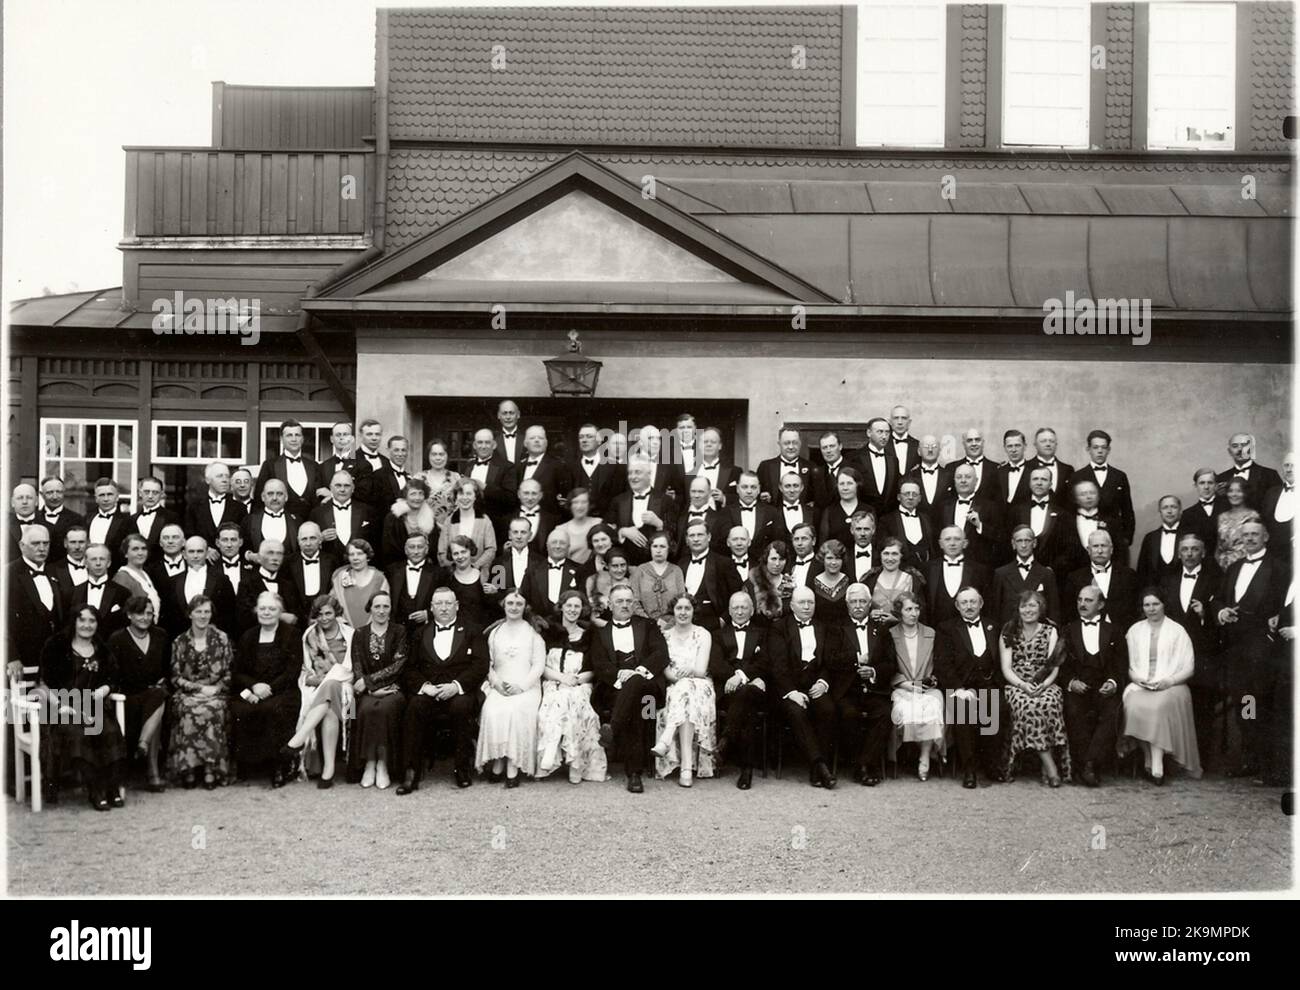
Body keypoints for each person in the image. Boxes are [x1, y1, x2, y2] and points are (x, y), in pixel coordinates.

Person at [1211, 520, 1287, 779]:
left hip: (1264, 648)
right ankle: (1250, 756)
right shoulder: (1233, 568)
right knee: (1245, 701)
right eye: (1246, 535)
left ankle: (1270, 764)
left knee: (1263, 701)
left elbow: (1289, 602)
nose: (1251, 538)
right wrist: (1221, 611)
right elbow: (1219, 598)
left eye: (1256, 534)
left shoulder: (1280, 569)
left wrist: (1280, 617)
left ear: (1265, 537)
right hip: (1237, 647)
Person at [397, 587, 487, 792]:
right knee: (414, 708)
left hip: (459, 691)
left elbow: (480, 665)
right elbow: (410, 668)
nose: (444, 608)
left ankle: (462, 769)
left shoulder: (472, 631)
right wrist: (424, 687)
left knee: (461, 708)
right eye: (439, 604)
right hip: (430, 691)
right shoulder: (419, 633)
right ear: (431, 607)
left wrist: (456, 686)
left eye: (448, 603)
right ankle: (411, 772)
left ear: (456, 606)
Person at [38, 605, 128, 811]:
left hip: (92, 707)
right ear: (74, 621)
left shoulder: (102, 650)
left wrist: (102, 691)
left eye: (92, 621)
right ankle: (96, 789)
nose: (87, 625)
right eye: (82, 620)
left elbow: (113, 679)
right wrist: (60, 706)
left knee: (110, 731)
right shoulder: (57, 646)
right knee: (80, 734)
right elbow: (43, 684)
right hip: (62, 709)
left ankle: (112, 787)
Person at [592, 583, 669, 793]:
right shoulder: (601, 632)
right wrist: (619, 675)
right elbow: (598, 663)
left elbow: (661, 654)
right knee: (634, 704)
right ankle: (634, 773)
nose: (625, 605)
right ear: (610, 604)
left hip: (649, 690)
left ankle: (613, 729)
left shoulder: (648, 625)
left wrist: (638, 671)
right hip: (614, 688)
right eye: (619, 601)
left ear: (634, 603)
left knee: (636, 688)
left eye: (629, 601)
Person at [1120, 588, 1202, 784]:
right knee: (1131, 705)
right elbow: (1128, 665)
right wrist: (1138, 679)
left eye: (1155, 604)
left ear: (1164, 605)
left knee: (1157, 708)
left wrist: (1169, 681)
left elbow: (1189, 667)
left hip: (1172, 685)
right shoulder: (1134, 630)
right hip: (1141, 684)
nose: (1151, 609)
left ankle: (1157, 764)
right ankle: (1148, 755)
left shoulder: (1177, 630)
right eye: (1147, 605)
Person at [770, 586, 843, 789]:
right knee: (797, 712)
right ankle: (819, 766)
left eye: (810, 602)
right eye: (802, 602)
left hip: (815, 685)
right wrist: (792, 692)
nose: (806, 606)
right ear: (792, 605)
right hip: (789, 688)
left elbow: (829, 662)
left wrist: (823, 682)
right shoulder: (779, 627)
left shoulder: (823, 627)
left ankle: (817, 767)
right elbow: (778, 666)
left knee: (828, 709)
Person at [934, 587, 1006, 788]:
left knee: (994, 707)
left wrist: (997, 685)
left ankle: (991, 765)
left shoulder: (994, 626)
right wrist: (958, 688)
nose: (969, 606)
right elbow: (943, 664)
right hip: (961, 686)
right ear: (957, 606)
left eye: (973, 602)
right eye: (964, 602)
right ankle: (969, 769)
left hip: (989, 684)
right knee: (963, 711)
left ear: (981, 604)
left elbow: (1001, 660)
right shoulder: (946, 628)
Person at [1161, 534, 1222, 766]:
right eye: (1185, 549)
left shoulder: (1215, 579)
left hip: (1202, 652)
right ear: (1179, 553)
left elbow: (1222, 614)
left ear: (1203, 553)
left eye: (1194, 549)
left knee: (1202, 705)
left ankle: (1201, 758)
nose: (1189, 554)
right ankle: (1172, 757)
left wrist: (1205, 613)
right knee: (1171, 702)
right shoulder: (1167, 580)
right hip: (1173, 653)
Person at [536, 590, 607, 784]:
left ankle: (572, 762)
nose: (573, 610)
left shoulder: (590, 634)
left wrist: (576, 679)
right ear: (561, 607)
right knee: (560, 698)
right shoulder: (549, 632)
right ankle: (569, 760)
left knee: (574, 701)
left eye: (577, 606)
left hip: (580, 684)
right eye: (569, 606)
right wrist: (561, 678)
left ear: (583, 609)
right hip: (553, 682)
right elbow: (541, 665)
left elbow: (595, 668)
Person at [999, 590, 1070, 787]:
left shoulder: (1051, 631)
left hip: (1045, 682)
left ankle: (1044, 765)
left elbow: (1054, 666)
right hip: (1017, 684)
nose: (1028, 610)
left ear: (1041, 608)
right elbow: (1006, 668)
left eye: (1032, 605)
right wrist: (1023, 685)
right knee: (1028, 706)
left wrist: (1043, 685)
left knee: (1048, 702)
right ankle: (1050, 767)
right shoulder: (1008, 630)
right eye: (1024, 606)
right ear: (1018, 609)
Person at [231, 591, 301, 787]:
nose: (267, 613)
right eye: (262, 608)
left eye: (272, 609)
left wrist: (268, 688)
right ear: (256, 611)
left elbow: (291, 672)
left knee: (272, 709)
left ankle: (278, 766)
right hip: (253, 690)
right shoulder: (248, 636)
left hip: (282, 690)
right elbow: (238, 672)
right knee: (240, 709)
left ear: (280, 612)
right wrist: (253, 687)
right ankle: (245, 764)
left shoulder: (292, 635)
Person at [476, 588, 545, 786]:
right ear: (503, 605)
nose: (514, 607)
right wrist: (496, 683)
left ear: (525, 607)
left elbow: (539, 665)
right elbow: (488, 663)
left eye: (519, 604)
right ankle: (498, 761)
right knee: (492, 710)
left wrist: (521, 686)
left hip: (526, 686)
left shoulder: (533, 633)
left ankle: (514, 766)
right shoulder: (495, 632)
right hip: (499, 685)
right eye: (510, 603)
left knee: (516, 710)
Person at [285, 594, 355, 788]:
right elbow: (305, 672)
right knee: (328, 708)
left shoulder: (350, 634)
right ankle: (329, 770)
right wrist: (317, 680)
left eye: (328, 613)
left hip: (349, 695)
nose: (324, 618)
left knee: (331, 685)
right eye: (319, 614)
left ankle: (299, 738)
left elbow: (352, 671)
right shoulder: (309, 635)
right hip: (319, 691)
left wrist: (328, 679)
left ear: (336, 613)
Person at [1059, 585, 1126, 787]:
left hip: (1104, 688)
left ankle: (1089, 764)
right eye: (1080, 599)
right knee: (1074, 711)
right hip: (1079, 687)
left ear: (1101, 604)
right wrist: (1071, 682)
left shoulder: (1113, 630)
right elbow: (1059, 665)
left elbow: (1121, 663)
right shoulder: (1068, 630)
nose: (1082, 604)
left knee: (1112, 713)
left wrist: (1113, 682)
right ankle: (1086, 766)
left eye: (1088, 600)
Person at [875, 591, 944, 779]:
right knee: (905, 709)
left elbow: (940, 663)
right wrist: (903, 683)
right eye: (908, 609)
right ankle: (908, 754)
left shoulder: (931, 633)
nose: (913, 613)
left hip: (926, 687)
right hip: (902, 687)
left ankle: (924, 756)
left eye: (916, 609)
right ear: (899, 612)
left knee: (933, 705)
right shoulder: (890, 634)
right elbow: (887, 665)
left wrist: (930, 681)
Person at [168, 594, 233, 789]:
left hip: (216, 692)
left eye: (207, 611)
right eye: (198, 612)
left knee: (212, 710)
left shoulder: (222, 638)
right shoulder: (179, 641)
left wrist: (216, 688)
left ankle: (210, 770)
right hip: (188, 693)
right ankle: (188, 769)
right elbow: (175, 677)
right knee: (188, 709)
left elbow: (229, 671)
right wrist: (198, 688)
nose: (203, 616)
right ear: (190, 614)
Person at [650, 594, 716, 785]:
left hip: (701, 686)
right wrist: (677, 677)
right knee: (683, 690)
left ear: (694, 611)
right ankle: (686, 767)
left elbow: (701, 670)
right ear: (673, 611)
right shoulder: (665, 636)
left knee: (686, 688)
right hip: (673, 686)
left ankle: (667, 737)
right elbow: (666, 671)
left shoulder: (703, 634)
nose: (683, 612)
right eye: (679, 608)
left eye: (687, 608)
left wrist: (690, 672)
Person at [106, 595, 170, 792]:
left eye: (149, 613)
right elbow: (112, 675)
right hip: (127, 697)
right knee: (158, 701)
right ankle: (152, 772)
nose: (145, 617)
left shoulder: (160, 635)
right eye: (140, 613)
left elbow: (167, 668)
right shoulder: (117, 639)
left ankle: (143, 745)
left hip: (153, 692)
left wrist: (163, 679)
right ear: (129, 615)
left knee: (159, 695)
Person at [839, 582, 896, 786]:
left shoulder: (881, 630)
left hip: (874, 689)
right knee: (849, 715)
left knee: (884, 713)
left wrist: (873, 671)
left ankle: (863, 764)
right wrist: (856, 661)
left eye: (862, 601)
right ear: (847, 604)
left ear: (870, 603)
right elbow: (830, 658)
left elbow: (891, 663)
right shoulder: (837, 628)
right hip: (848, 689)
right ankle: (860, 764)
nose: (858, 606)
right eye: (853, 601)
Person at [710, 591, 769, 789]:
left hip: (755, 690)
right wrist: (736, 678)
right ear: (729, 611)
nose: (740, 611)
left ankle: (726, 741)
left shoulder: (763, 633)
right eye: (735, 607)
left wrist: (741, 677)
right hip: (728, 690)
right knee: (747, 709)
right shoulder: (717, 635)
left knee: (746, 696)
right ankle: (747, 769)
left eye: (744, 607)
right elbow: (716, 664)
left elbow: (765, 662)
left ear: (752, 611)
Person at [352, 589, 408, 790]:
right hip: (367, 692)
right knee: (367, 709)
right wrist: (369, 689)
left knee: (384, 710)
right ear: (370, 608)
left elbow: (398, 665)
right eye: (377, 606)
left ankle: (383, 764)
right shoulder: (359, 633)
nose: (381, 611)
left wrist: (369, 682)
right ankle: (369, 763)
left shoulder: (399, 631)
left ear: (391, 609)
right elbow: (356, 664)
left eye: (386, 606)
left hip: (394, 689)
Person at [1068, 430, 1135, 558]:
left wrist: (1126, 539)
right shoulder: (1077, 476)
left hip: (1113, 538)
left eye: (1103, 447)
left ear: (1108, 449)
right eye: (1095, 447)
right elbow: (1070, 510)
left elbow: (1127, 510)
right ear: (1088, 449)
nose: (1100, 451)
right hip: (1084, 536)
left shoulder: (1119, 476)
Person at [1066, 530, 1140, 631]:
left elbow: (1134, 609)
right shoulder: (1075, 578)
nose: (1100, 551)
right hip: (1087, 633)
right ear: (1088, 550)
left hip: (1121, 634)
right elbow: (1070, 613)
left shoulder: (1128, 575)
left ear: (1111, 549)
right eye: (1095, 546)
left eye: (1103, 546)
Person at [255, 418, 325, 521]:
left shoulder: (314, 466)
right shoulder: (269, 465)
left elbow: (320, 497)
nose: (294, 439)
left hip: (311, 524)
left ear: (302, 439)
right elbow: (259, 500)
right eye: (289, 435)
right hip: (281, 523)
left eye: (297, 435)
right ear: (282, 439)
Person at [991, 525, 1061, 625]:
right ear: (1013, 544)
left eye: (1027, 540)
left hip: (1038, 635)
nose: (1023, 545)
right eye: (1019, 541)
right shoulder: (1001, 574)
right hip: (1010, 633)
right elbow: (995, 612)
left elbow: (1054, 612)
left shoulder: (1047, 574)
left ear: (1034, 543)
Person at [309, 470, 376, 562]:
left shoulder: (367, 511)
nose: (342, 489)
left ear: (353, 488)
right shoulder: (317, 513)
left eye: (346, 486)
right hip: (330, 569)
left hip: (360, 568)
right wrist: (321, 539)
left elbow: (375, 543)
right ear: (331, 488)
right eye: (338, 485)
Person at [437, 477, 497, 572]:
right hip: (454, 575)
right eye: (461, 494)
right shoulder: (449, 521)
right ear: (456, 497)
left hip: (479, 574)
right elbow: (442, 551)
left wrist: (475, 566)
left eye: (469, 494)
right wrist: (454, 568)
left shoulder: (484, 520)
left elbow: (491, 549)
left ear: (475, 497)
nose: (465, 498)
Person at [519, 529, 581, 619]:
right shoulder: (532, 570)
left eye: (562, 543)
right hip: (538, 627)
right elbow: (524, 599)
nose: (558, 546)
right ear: (547, 546)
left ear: (568, 547)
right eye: (554, 542)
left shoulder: (579, 570)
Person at [628, 531, 685, 627]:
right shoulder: (640, 570)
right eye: (655, 546)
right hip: (645, 624)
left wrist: (670, 622)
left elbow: (682, 600)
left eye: (662, 546)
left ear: (669, 548)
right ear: (650, 548)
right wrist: (648, 621)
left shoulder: (676, 571)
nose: (658, 550)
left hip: (673, 625)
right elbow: (634, 600)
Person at [183, 463, 247, 546]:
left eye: (227, 476)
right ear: (208, 480)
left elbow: (244, 538)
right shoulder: (194, 507)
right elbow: (189, 535)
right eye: (220, 476)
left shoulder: (240, 508)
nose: (225, 480)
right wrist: (206, 550)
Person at [329, 538, 389, 628]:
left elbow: (385, 608)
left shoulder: (380, 578)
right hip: (345, 631)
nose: (355, 558)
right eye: (351, 554)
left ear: (367, 556)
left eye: (360, 554)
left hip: (372, 630)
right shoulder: (340, 576)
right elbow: (331, 605)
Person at [864, 537, 920, 631]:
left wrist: (897, 620)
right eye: (886, 553)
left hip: (904, 633)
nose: (890, 558)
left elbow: (920, 612)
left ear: (901, 556)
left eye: (894, 554)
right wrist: (870, 614)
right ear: (880, 555)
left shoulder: (912, 580)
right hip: (876, 634)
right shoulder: (869, 580)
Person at [1217, 433, 1281, 512]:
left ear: (1252, 449)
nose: (1240, 450)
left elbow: (1279, 507)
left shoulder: (1270, 475)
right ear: (1229, 451)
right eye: (1235, 446)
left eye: (1244, 445)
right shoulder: (1221, 478)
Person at [381, 478, 438, 566]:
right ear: (405, 496)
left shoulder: (430, 518)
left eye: (421, 493)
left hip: (426, 567)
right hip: (399, 567)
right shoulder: (393, 518)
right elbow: (389, 548)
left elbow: (434, 547)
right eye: (413, 494)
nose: (417, 498)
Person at [1135, 494, 1186, 590]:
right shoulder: (1150, 538)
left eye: (1173, 507)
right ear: (1160, 512)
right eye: (1165, 507)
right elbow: (1142, 570)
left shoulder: (1188, 536)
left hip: (1182, 592)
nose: (1169, 511)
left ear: (1180, 511)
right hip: (1155, 594)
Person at [446, 534, 496, 627]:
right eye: (456, 553)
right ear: (451, 556)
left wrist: (494, 594)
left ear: (470, 551)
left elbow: (491, 609)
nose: (460, 557)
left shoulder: (484, 576)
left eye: (463, 552)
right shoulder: (448, 578)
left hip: (480, 630)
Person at [1213, 478, 1262, 571]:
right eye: (1230, 491)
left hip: (1245, 565)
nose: (1234, 495)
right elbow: (1218, 546)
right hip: (1223, 566)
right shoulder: (1221, 517)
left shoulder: (1253, 516)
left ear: (1245, 493)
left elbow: (1257, 545)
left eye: (1239, 491)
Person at [112, 532, 162, 620]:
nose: (140, 553)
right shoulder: (122, 577)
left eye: (143, 549)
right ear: (126, 553)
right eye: (135, 549)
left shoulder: (145, 574)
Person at [415, 438, 462, 527]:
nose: (438, 458)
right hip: (424, 529)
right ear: (428, 456)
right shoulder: (419, 478)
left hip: (449, 529)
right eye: (434, 454)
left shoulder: (456, 478)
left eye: (441, 454)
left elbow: (460, 507)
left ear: (447, 456)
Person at [747, 539, 793, 622]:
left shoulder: (790, 583)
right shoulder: (753, 581)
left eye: (781, 559)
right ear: (766, 559)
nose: (777, 564)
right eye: (773, 559)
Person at [818, 468, 864, 548]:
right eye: (842, 484)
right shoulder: (829, 512)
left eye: (849, 483)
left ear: (857, 485)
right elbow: (823, 544)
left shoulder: (868, 510)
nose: (845, 488)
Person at [558, 487, 603, 564]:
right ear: (570, 505)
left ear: (589, 504)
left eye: (584, 502)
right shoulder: (561, 530)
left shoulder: (599, 523)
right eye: (575, 502)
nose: (579, 506)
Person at [811, 538, 850, 624]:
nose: (833, 562)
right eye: (829, 558)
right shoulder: (813, 582)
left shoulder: (849, 581)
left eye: (838, 558)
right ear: (822, 559)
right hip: (820, 632)